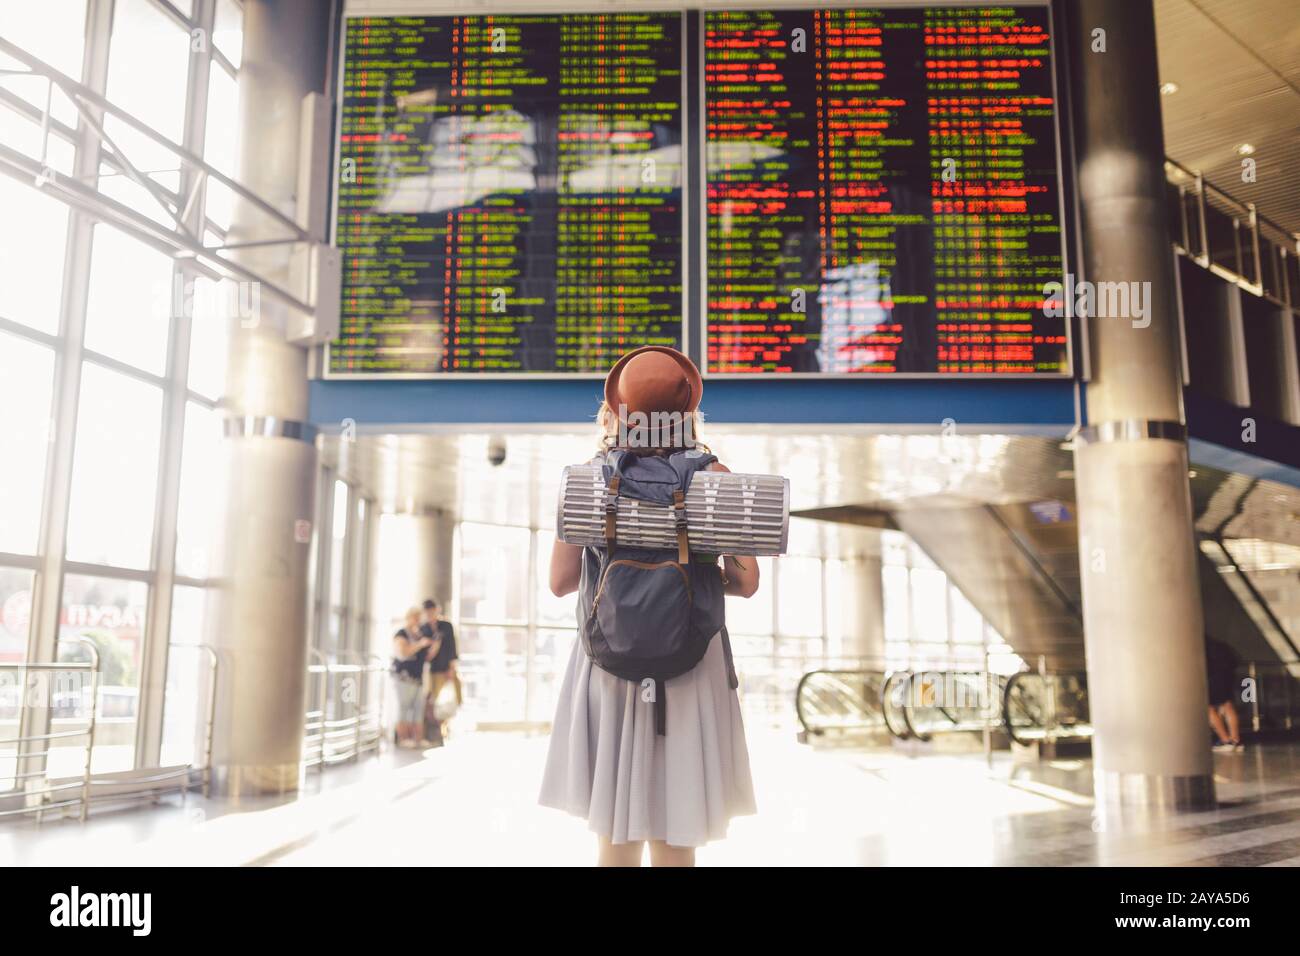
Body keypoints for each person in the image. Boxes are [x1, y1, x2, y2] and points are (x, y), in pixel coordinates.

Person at [539, 346, 760, 867]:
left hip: (609, 661)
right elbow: (746, 581)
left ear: (617, 410)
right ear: (687, 411)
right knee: (677, 826)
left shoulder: (587, 478)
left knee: (615, 832)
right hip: (692, 659)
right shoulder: (715, 475)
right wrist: (692, 575)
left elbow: (560, 581)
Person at [420, 598, 461, 742]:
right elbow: (425, 655)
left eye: (432, 611)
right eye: (427, 612)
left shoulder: (446, 626)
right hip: (433, 671)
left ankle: (446, 729)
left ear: (437, 610)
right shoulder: (424, 628)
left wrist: (451, 668)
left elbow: (452, 648)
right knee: (435, 701)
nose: (430, 614)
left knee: (451, 699)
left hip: (447, 669)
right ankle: (437, 731)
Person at [391, 607, 433, 748]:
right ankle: (403, 739)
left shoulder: (419, 635)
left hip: (418, 678)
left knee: (418, 710)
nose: (417, 621)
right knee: (404, 709)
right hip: (404, 678)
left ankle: (418, 739)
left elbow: (427, 657)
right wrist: (420, 644)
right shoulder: (401, 634)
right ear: (408, 618)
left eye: (419, 618)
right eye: (415, 617)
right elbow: (403, 653)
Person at [1205, 635, 1243, 752]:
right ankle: (1235, 740)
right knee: (1227, 706)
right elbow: (1236, 659)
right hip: (1227, 677)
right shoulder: (1221, 645)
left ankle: (1225, 740)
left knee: (1208, 709)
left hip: (1212, 678)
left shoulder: (1203, 647)